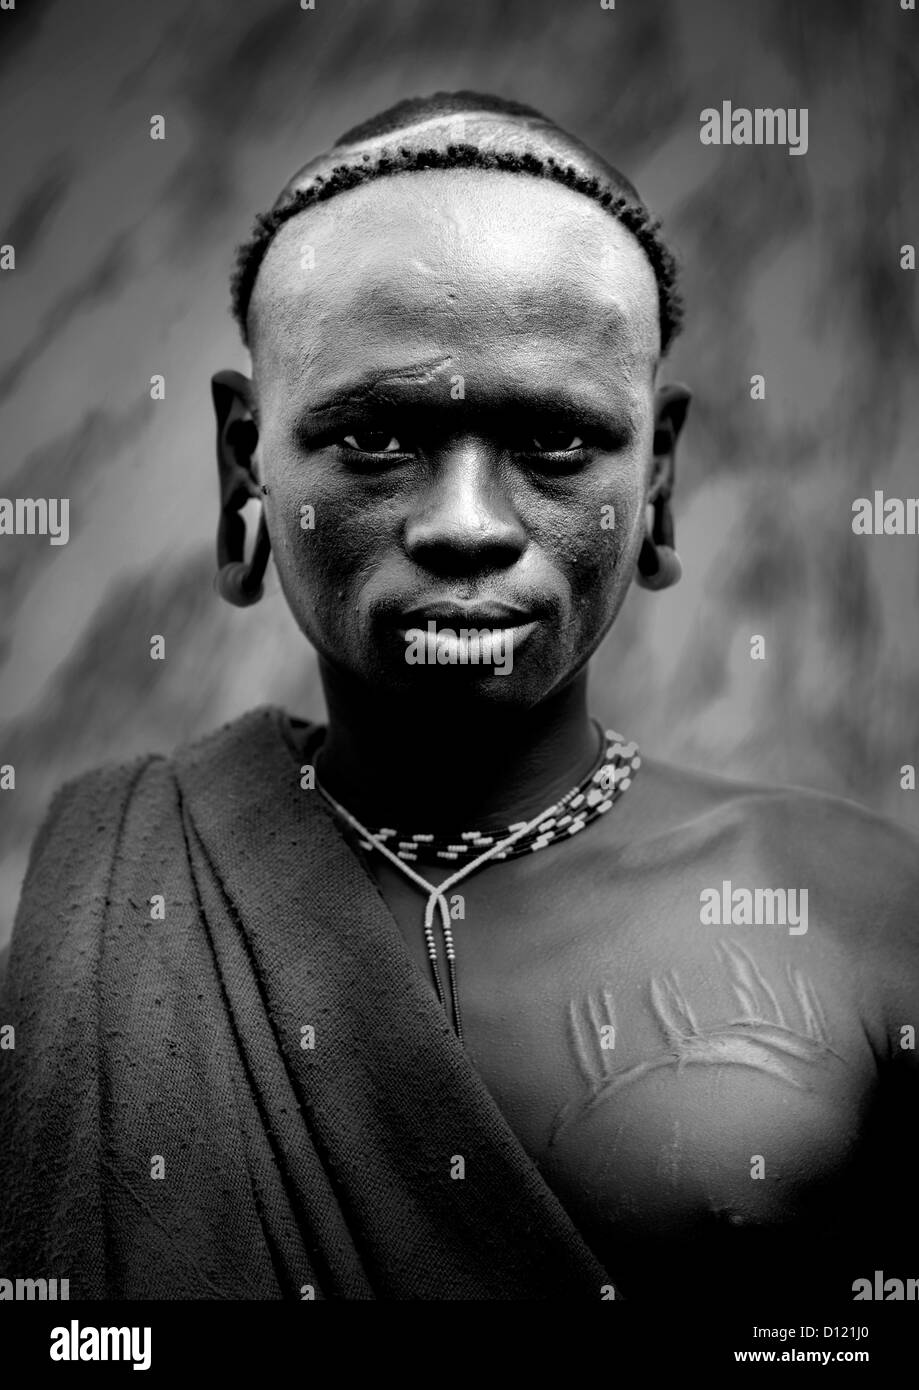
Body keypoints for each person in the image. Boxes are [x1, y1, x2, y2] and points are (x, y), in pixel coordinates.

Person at [1, 90, 917, 1302]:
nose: (466, 525)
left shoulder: (861, 913)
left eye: (556, 443)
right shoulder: (85, 911)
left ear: (659, 477)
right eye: (376, 440)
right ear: (246, 466)